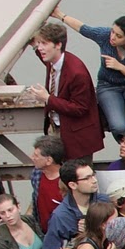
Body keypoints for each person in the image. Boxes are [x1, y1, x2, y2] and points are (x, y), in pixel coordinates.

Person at [51, 9, 125, 140]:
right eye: (113, 31)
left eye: (118, 36)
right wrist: (59, 15)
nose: (112, 37)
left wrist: (119, 66)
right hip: (108, 86)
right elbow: (84, 29)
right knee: (118, 126)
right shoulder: (105, 36)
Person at [24, 20, 101, 160]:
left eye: (44, 44)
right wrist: (34, 44)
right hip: (57, 128)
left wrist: (47, 99)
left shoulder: (77, 73)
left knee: (77, 175)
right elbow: (43, 57)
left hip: (77, 136)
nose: (40, 48)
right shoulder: (53, 60)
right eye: (39, 43)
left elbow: (80, 108)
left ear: (58, 45)